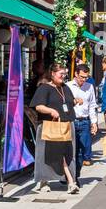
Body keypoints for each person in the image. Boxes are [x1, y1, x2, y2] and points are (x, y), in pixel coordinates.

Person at [30, 65, 80, 195]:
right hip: (50, 126)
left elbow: (68, 101)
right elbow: (38, 106)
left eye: (64, 74)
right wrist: (51, 111)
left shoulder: (65, 88)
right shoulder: (44, 88)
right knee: (46, 155)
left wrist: (76, 101)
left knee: (68, 154)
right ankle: (45, 181)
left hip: (67, 125)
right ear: (52, 73)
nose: (63, 76)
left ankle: (69, 180)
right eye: (60, 74)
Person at [69, 63, 99, 174]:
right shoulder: (68, 86)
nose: (84, 79)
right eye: (82, 77)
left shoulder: (89, 86)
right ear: (76, 74)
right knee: (71, 150)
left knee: (82, 151)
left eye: (86, 77)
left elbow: (92, 105)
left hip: (85, 122)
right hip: (72, 121)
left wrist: (94, 122)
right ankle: (68, 176)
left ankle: (75, 175)